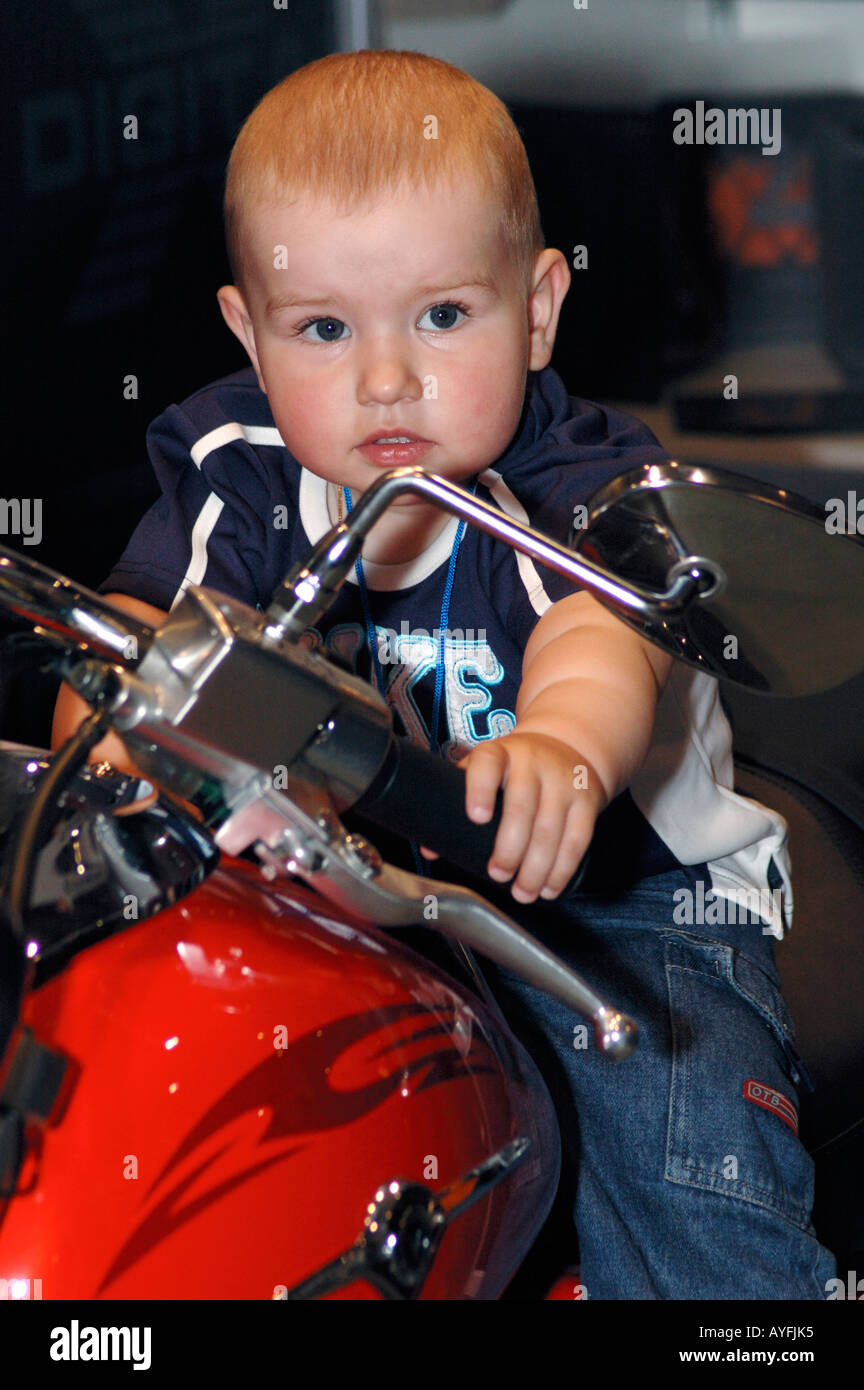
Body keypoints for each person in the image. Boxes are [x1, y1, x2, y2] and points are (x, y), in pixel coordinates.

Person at [53, 49, 835, 1299]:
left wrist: (563, 746)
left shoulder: (577, 478)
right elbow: (146, 630)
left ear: (536, 310)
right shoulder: (238, 467)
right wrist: (114, 742)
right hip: (357, 875)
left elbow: (596, 630)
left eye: (442, 316)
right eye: (322, 328)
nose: (383, 380)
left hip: (620, 902)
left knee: (674, 1154)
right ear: (247, 334)